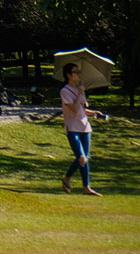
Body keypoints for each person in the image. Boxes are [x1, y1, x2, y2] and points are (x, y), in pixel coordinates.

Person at [61, 62, 103, 195]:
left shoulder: (79, 89)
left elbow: (82, 110)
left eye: (79, 72)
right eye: (75, 72)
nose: (78, 75)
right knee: (81, 158)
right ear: (68, 75)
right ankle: (67, 177)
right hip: (73, 127)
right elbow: (72, 109)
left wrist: (94, 112)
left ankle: (86, 187)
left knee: (86, 158)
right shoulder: (65, 91)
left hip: (85, 127)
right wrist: (80, 93)